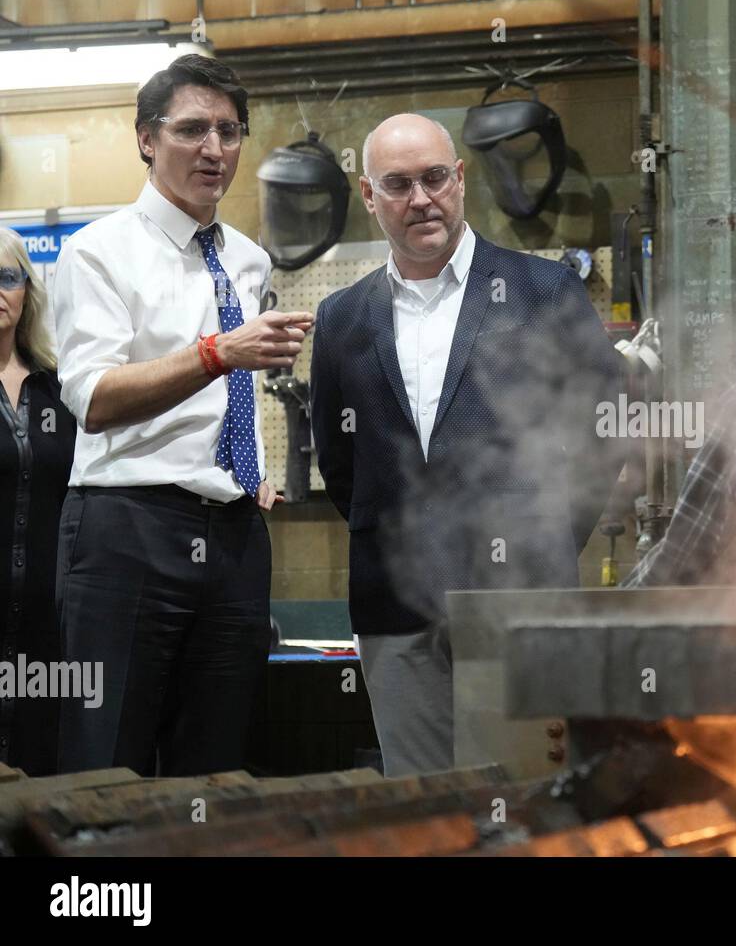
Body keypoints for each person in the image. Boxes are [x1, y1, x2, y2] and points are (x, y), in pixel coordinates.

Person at [310, 113, 625, 777]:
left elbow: (605, 430)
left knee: (525, 806)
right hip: (395, 606)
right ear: (369, 196)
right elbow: (342, 467)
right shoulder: (341, 318)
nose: (420, 199)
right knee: (423, 811)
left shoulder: (544, 291)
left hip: (518, 598)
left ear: (459, 179)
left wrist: (549, 536)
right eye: (397, 184)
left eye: (433, 179)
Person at [50, 54, 314, 775]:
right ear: (145, 139)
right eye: (192, 129)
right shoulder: (97, 254)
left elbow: (232, 393)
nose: (214, 150)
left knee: (219, 765)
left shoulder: (250, 260)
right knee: (108, 765)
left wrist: (248, 465)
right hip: (126, 532)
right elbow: (95, 400)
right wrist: (218, 353)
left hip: (231, 534)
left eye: (230, 132)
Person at [0, 228, 75, 775]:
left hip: (49, 628)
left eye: (6, 278)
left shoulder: (60, 388)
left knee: (41, 775)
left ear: (27, 290)